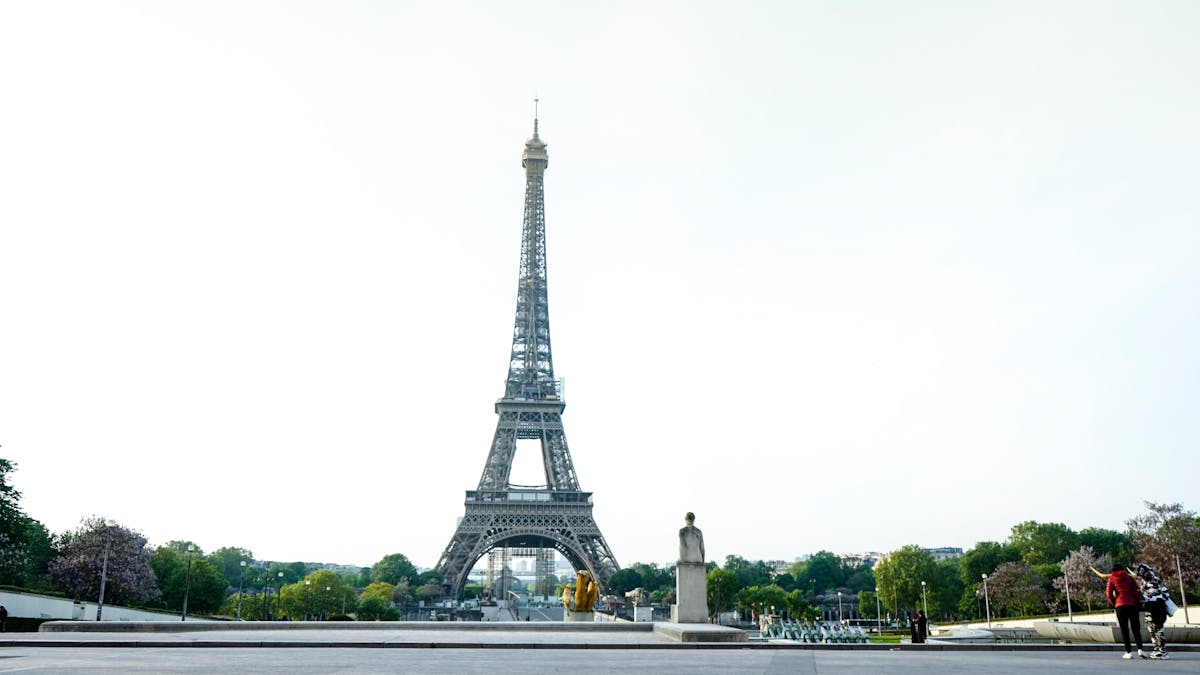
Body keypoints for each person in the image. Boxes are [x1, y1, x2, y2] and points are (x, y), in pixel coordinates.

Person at [1105, 565, 1144, 659]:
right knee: (1136, 628)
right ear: (1122, 570)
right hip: (1132, 605)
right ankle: (1140, 650)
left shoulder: (1112, 578)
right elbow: (1136, 591)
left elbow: (1109, 593)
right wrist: (1137, 601)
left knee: (1124, 630)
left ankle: (1128, 652)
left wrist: (1114, 603)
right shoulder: (1129, 577)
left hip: (1120, 606)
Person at [1136, 563, 1170, 660]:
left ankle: (1162, 651)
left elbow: (1166, 594)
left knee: (1159, 630)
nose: (1143, 576)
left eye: (1145, 574)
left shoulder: (1157, 581)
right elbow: (1141, 593)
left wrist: (1154, 598)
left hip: (1158, 609)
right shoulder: (1143, 583)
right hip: (1148, 610)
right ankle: (1156, 649)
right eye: (1142, 575)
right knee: (1151, 631)